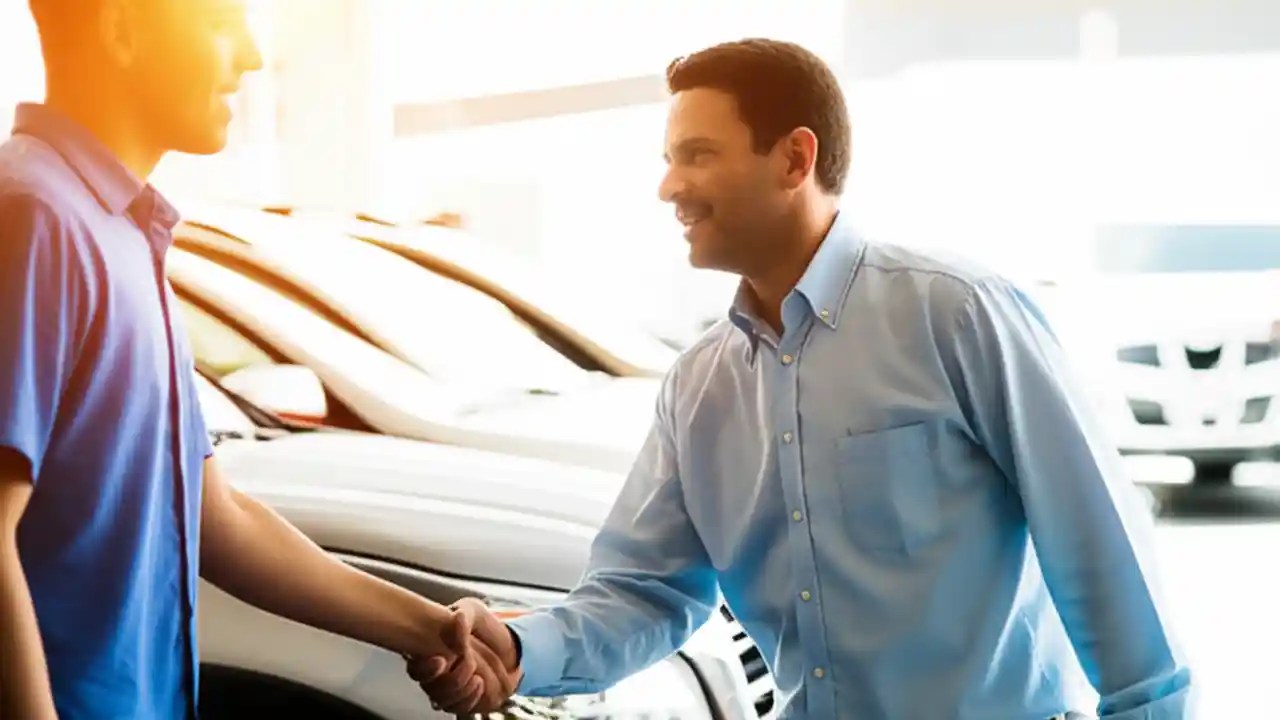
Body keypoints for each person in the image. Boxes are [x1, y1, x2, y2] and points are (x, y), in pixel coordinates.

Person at [414, 38, 1192, 719]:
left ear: (794, 157)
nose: (669, 188)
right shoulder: (699, 386)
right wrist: (515, 648)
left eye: (698, 155)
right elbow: (644, 594)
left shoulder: (957, 314)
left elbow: (1098, 545)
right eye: (669, 160)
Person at [0, 2, 509, 717]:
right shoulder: (34, 217)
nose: (248, 56)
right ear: (119, 30)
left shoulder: (118, 228)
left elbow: (219, 517)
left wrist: (436, 630)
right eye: (219, 22)